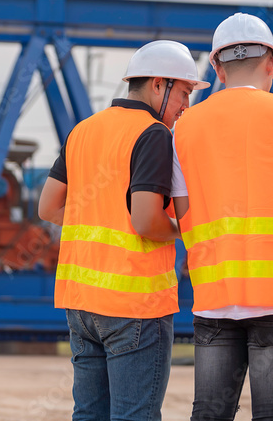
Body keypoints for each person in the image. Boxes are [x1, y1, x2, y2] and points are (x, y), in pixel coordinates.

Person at [38, 39, 210, 421]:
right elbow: (146, 220)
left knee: (88, 414)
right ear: (158, 85)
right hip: (135, 305)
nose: (186, 105)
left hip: (81, 303)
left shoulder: (84, 130)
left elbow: (48, 207)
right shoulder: (153, 134)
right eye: (183, 92)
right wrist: (189, 231)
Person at [171, 13, 273, 421]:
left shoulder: (184, 126)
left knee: (210, 414)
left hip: (213, 298)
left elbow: (184, 215)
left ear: (215, 68)